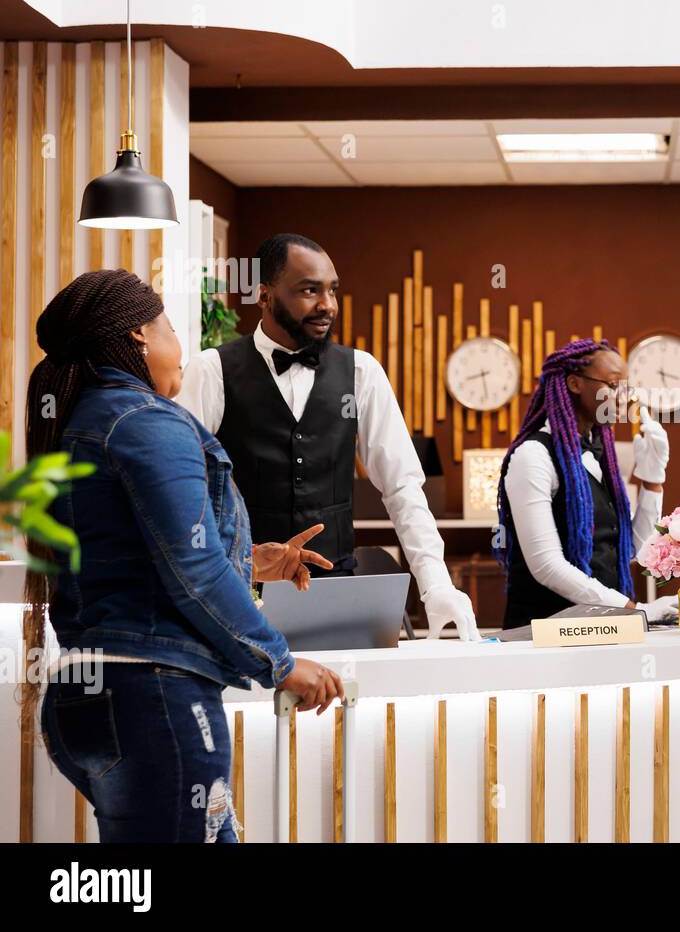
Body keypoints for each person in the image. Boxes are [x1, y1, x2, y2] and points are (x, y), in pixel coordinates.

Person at [29, 269, 343, 843]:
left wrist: (249, 561)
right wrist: (277, 660)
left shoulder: (82, 423)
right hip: (153, 699)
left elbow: (142, 552)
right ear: (141, 336)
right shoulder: (146, 420)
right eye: (172, 326)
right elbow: (191, 569)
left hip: (87, 699)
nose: (185, 347)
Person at [176, 233, 480, 641]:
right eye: (309, 291)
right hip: (240, 596)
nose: (327, 305)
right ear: (264, 295)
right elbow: (182, 490)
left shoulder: (361, 371)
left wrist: (436, 585)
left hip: (339, 595)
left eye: (332, 290)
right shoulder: (211, 370)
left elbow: (403, 486)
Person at [495, 339, 679, 628]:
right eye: (613, 384)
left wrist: (653, 480)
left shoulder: (602, 455)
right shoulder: (533, 456)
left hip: (601, 629)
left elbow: (628, 549)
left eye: (625, 387)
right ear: (574, 384)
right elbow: (546, 566)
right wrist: (632, 608)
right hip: (543, 632)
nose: (623, 396)